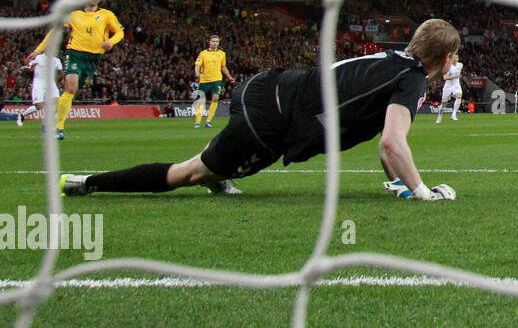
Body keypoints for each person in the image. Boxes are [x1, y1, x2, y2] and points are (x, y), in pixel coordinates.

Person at [60, 19, 461, 202]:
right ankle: (87, 182)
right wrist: (423, 192)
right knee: (188, 173)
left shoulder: (388, 60)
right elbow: (392, 142)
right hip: (273, 120)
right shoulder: (411, 80)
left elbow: (385, 144)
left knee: (211, 166)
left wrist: (399, 183)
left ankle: (219, 176)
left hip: (268, 86)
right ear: (445, 59)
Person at [24, 0, 124, 140]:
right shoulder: (74, 15)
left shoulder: (107, 15)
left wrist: (111, 42)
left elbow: (120, 33)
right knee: (70, 89)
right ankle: (59, 128)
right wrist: (38, 50)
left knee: (74, 92)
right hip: (75, 54)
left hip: (93, 58)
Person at [193, 35, 234, 129]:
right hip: (204, 79)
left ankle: (209, 121)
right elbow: (197, 65)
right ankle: (197, 121)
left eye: (217, 41)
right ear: (209, 42)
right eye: (213, 41)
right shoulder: (203, 53)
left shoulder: (222, 54)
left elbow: (223, 67)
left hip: (217, 79)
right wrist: (197, 73)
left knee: (215, 98)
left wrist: (229, 77)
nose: (215, 43)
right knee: (201, 99)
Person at [16, 51, 63, 128]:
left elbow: (61, 72)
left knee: (57, 103)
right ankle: (22, 115)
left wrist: (60, 81)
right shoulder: (38, 58)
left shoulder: (56, 60)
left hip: (50, 83)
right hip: (39, 83)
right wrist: (28, 68)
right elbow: (28, 69)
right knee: (39, 106)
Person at [436, 52, 463, 123]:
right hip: (448, 86)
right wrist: (455, 76)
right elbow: (445, 78)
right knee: (443, 104)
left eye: (456, 57)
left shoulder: (460, 65)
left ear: (458, 59)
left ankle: (453, 115)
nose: (455, 59)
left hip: (456, 85)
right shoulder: (448, 67)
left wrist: (457, 78)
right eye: (454, 58)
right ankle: (439, 116)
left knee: (459, 97)